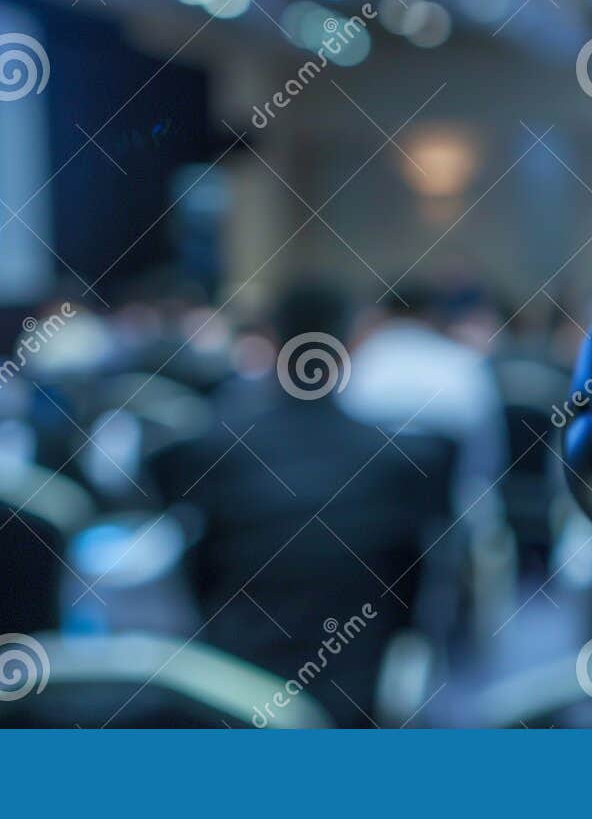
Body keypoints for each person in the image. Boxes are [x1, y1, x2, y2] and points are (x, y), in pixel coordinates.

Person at [186, 281, 437, 726]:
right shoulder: (400, 462)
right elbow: (414, 594)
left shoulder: (214, 452)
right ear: (349, 349)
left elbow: (200, 580)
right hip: (357, 701)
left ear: (271, 344)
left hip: (235, 699)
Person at [337, 282, 507, 511]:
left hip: (366, 515)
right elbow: (487, 459)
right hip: (452, 514)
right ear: (434, 315)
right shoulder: (466, 365)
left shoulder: (355, 366)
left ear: (381, 315)